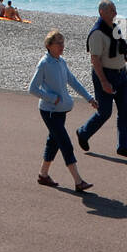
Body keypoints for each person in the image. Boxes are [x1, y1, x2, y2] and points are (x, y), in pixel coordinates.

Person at [28, 29, 99, 192]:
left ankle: (43, 175)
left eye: (63, 42)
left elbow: (73, 81)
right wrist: (52, 98)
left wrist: (89, 98)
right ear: (49, 45)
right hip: (49, 111)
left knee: (53, 142)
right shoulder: (44, 63)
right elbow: (32, 89)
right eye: (58, 43)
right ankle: (78, 181)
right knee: (65, 144)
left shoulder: (61, 62)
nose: (62, 46)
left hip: (60, 111)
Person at [76, 0, 127, 158]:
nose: (115, 13)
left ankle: (123, 146)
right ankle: (83, 133)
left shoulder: (116, 27)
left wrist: (124, 71)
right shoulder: (96, 33)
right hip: (105, 74)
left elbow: (121, 49)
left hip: (121, 74)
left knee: (125, 111)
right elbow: (95, 59)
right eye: (112, 10)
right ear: (101, 12)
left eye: (115, 9)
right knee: (104, 112)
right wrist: (104, 81)